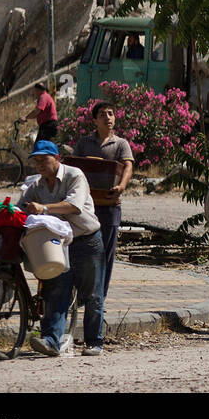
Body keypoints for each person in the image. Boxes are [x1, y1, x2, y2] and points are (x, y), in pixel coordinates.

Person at [20, 141, 104, 357]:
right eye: (36, 161)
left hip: (87, 240)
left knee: (92, 293)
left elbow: (74, 206)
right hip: (59, 244)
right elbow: (21, 206)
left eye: (44, 160)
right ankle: (51, 341)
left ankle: (94, 342)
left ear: (57, 158)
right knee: (57, 292)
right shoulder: (37, 186)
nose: (39, 165)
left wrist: (44, 208)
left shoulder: (75, 176)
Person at [71, 101, 134, 300]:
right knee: (81, 250)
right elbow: (73, 168)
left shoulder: (121, 143)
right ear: (95, 120)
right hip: (86, 208)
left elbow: (128, 167)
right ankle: (79, 295)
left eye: (111, 113)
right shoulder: (84, 143)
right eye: (103, 114)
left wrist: (122, 186)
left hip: (110, 206)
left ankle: (99, 298)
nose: (108, 117)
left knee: (106, 253)